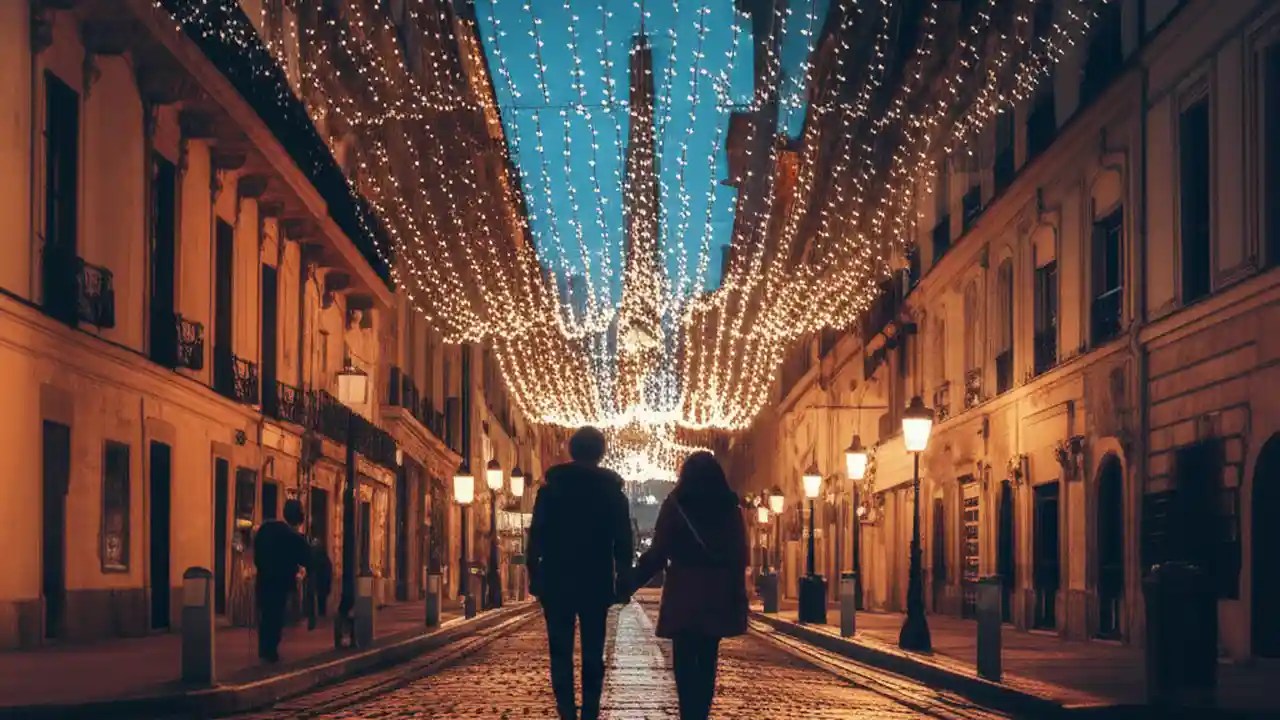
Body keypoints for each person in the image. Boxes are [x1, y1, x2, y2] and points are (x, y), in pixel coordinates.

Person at [527, 426, 634, 720]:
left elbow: (536, 535)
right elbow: (624, 540)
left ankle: (566, 713)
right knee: (592, 653)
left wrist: (534, 572)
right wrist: (623, 577)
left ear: (572, 451)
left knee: (559, 651)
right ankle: (590, 712)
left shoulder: (551, 491)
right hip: (595, 579)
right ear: (600, 453)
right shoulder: (613, 494)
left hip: (556, 578)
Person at [631, 451, 748, 720]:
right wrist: (737, 591)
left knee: (683, 658)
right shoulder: (728, 508)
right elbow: (739, 553)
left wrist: (629, 584)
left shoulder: (676, 505)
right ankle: (701, 714)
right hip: (716, 591)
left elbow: (658, 553)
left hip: (684, 591)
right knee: (708, 657)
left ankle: (688, 713)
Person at [253, 498, 310, 662]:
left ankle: (264, 649)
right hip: (281, 582)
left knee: (265, 614)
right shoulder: (294, 537)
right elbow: (306, 559)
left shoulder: (265, 529)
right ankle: (270, 651)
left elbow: (258, 554)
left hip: (264, 579)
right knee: (276, 616)